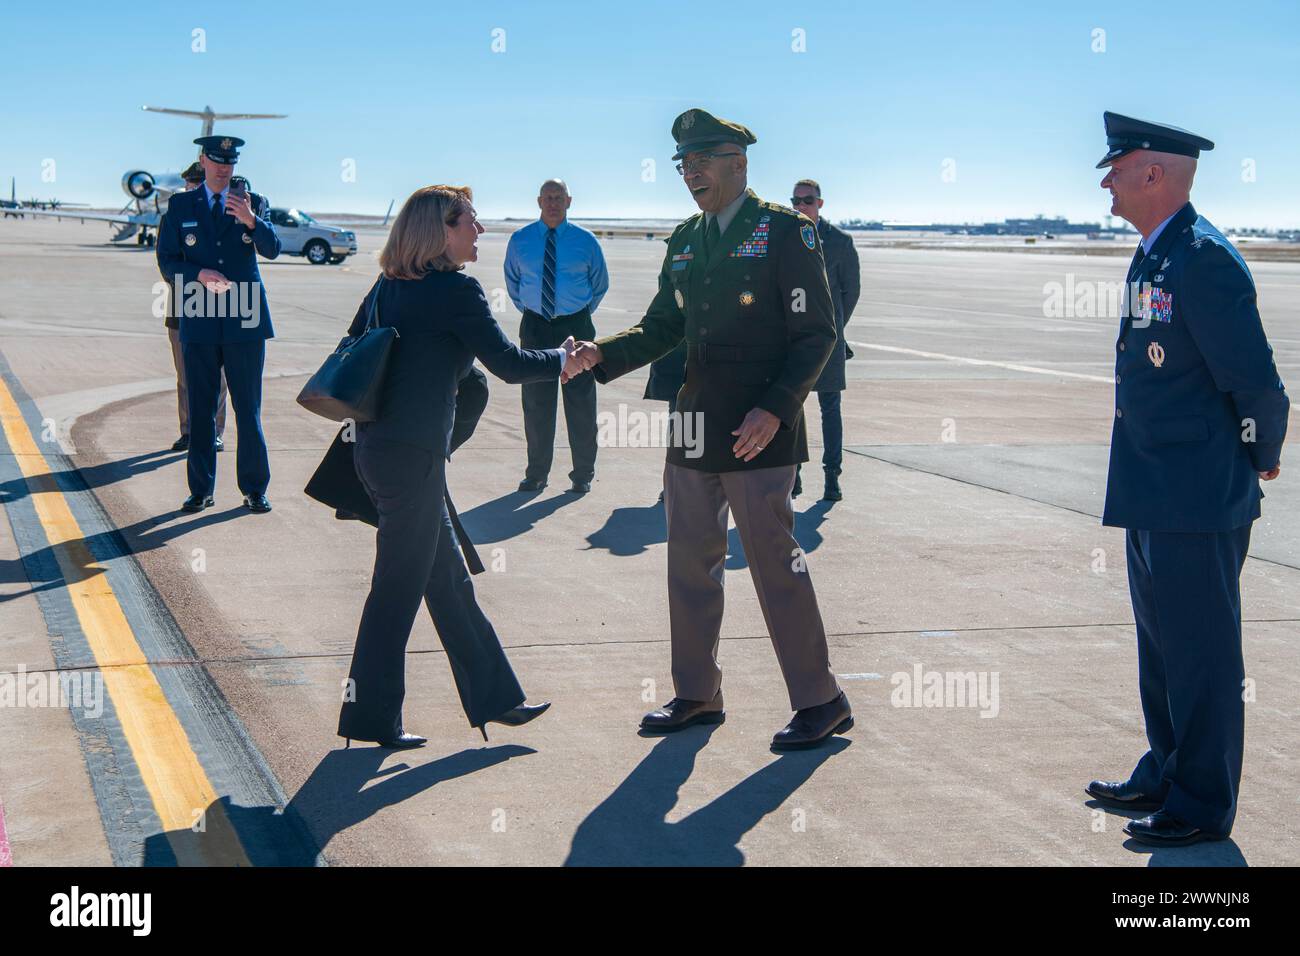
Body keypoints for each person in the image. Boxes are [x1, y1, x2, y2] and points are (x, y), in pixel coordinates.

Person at [568, 108, 851, 751]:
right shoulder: (685, 238)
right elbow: (662, 326)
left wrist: (777, 407)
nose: (690, 173)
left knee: (775, 565)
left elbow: (816, 335)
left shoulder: (784, 232)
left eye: (702, 161)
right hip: (694, 421)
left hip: (760, 426)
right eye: (683, 164)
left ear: (739, 164)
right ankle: (697, 692)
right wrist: (599, 353)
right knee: (689, 565)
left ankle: (821, 699)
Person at [1086, 112, 1289, 846]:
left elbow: (1257, 382)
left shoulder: (1202, 259)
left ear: (1154, 174)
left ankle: (1202, 802)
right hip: (1152, 488)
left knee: (1202, 655)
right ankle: (1168, 767)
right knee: (1162, 645)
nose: (1105, 178)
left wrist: (1258, 453)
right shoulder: (1155, 254)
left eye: (1117, 166)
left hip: (1197, 493)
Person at [336, 185, 585, 748]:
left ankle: (498, 699)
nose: (480, 230)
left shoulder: (386, 287)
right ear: (442, 230)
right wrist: (563, 359)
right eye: (471, 221)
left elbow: (351, 348)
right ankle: (370, 718)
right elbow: (511, 364)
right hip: (411, 459)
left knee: (446, 583)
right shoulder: (455, 291)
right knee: (395, 591)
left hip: (379, 451)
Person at [156, 135, 281, 514]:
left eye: (230, 161)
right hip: (198, 311)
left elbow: (273, 248)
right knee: (201, 408)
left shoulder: (253, 203)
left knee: (249, 408)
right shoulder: (180, 205)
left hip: (245, 315)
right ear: (203, 161)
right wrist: (198, 273)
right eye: (217, 160)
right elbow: (167, 261)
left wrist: (251, 221)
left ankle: (255, 488)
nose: (224, 167)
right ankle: (200, 490)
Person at [504, 179, 609, 494]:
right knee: (536, 403)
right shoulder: (520, 240)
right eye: (548, 197)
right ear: (538, 201)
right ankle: (536, 474)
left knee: (580, 402)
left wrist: (576, 314)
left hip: (575, 326)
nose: (553, 202)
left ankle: (582, 475)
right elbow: (513, 282)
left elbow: (599, 283)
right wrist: (535, 311)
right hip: (535, 326)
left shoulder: (585, 241)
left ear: (569, 201)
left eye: (558, 197)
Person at [790, 179, 860, 501]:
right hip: (793, 338)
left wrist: (835, 326)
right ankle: (794, 475)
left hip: (828, 340)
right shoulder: (786, 236)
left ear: (820, 203)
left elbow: (851, 290)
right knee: (790, 407)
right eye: (796, 200)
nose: (801, 205)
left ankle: (833, 476)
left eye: (808, 200)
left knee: (830, 409)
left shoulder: (840, 242)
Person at [166, 160, 227, 453]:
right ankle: (189, 431)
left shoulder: (221, 215)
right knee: (184, 375)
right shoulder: (175, 215)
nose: (191, 188)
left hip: (220, 309)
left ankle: (214, 431)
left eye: (196, 183)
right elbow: (167, 264)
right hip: (182, 308)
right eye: (188, 184)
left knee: (219, 377)